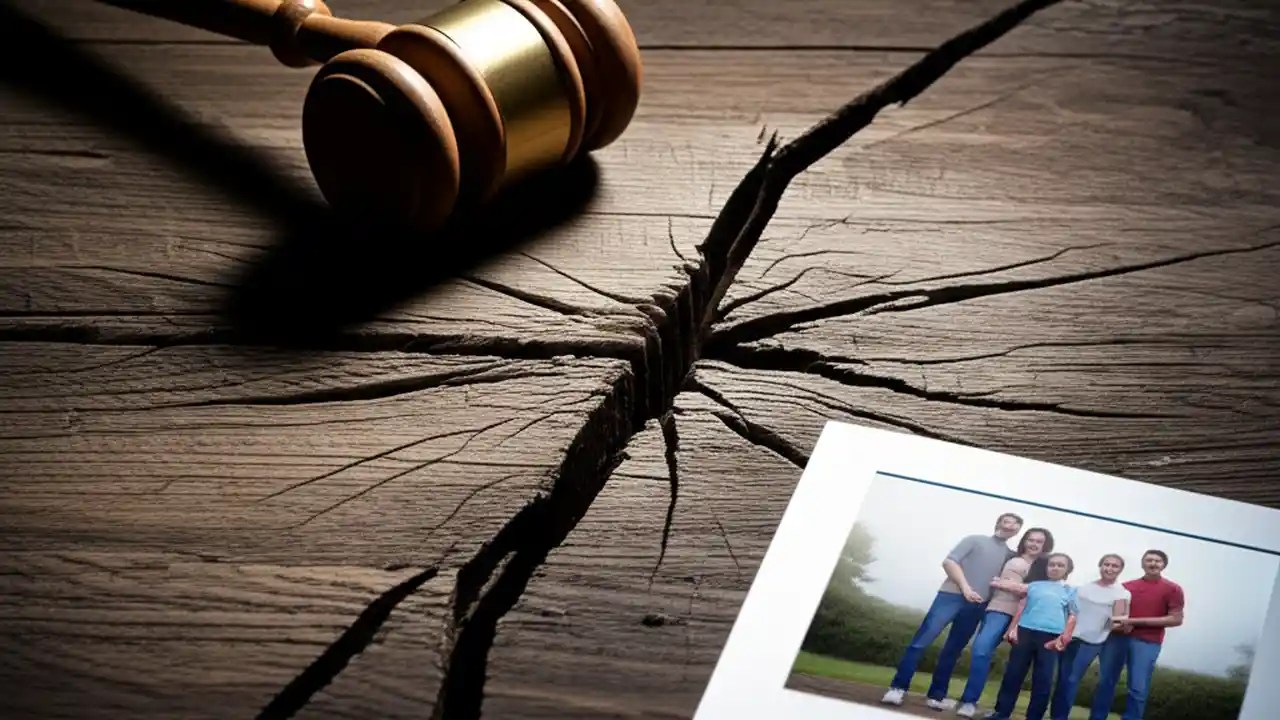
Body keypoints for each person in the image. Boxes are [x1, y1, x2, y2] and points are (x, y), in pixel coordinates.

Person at [880, 513, 1024, 710]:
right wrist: (965, 588)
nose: (1010, 526)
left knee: (953, 650)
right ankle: (897, 688)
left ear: (1017, 531)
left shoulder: (1010, 556)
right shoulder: (974, 540)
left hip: (978, 605)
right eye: (1007, 521)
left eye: (1016, 525)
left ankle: (936, 695)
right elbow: (949, 562)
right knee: (921, 642)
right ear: (998, 523)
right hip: (950, 596)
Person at [952, 527, 1054, 718]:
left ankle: (1003, 710)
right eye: (1030, 540)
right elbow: (995, 579)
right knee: (981, 650)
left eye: (1039, 541)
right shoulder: (1013, 558)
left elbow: (1045, 591)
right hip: (1000, 608)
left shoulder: (1046, 566)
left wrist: (1008, 585)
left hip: (1029, 618)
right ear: (1024, 541)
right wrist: (1012, 586)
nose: (1033, 544)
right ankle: (969, 700)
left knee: (1017, 668)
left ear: (1045, 545)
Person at [1088, 550, 1185, 720]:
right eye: (1149, 560)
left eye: (1157, 561)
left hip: (1148, 642)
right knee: (1106, 683)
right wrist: (1117, 626)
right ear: (1142, 564)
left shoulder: (1173, 589)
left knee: (1138, 687)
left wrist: (1135, 622)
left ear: (1163, 565)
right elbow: (1116, 619)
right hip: (1117, 640)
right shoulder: (1126, 587)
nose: (1153, 563)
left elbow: (1176, 619)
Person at [984, 553, 1079, 720]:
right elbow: (1021, 605)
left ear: (1067, 570)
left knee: (1043, 680)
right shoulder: (1034, 586)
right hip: (1025, 632)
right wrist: (1012, 629)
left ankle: (1034, 716)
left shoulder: (1070, 591)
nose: (1055, 568)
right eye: (1052, 564)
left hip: (1050, 637)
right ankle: (1001, 712)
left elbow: (1072, 616)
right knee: (1013, 674)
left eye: (1060, 565)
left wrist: (1064, 638)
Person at [1048, 554, 1130, 720]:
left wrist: (1120, 625)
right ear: (1100, 566)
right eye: (1106, 564)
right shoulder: (1082, 589)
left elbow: (1119, 621)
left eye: (1115, 566)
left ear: (1120, 570)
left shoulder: (1123, 593)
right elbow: (1071, 612)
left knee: (1106, 683)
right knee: (1067, 681)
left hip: (1102, 639)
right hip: (1076, 639)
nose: (1109, 568)